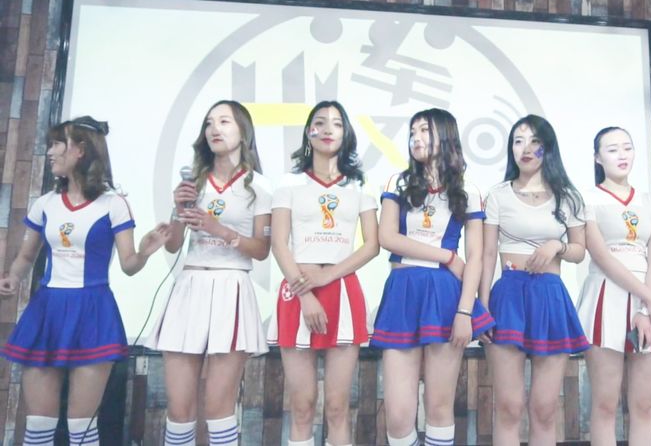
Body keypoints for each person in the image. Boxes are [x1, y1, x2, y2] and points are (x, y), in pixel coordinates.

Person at [0, 117, 169, 446]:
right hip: (47, 310)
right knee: (38, 425)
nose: (50, 152)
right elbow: (26, 256)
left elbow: (129, 265)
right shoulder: (45, 203)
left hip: (92, 310)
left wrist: (145, 251)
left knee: (81, 427)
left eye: (56, 144)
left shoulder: (113, 204)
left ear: (80, 150)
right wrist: (12, 278)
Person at [146, 101, 271, 446]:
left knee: (218, 408)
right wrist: (178, 208)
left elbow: (262, 249)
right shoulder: (194, 183)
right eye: (209, 123)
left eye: (224, 121)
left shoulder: (260, 186)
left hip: (231, 286)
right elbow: (174, 245)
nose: (215, 129)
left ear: (243, 132)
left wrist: (219, 229)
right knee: (179, 408)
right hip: (190, 285)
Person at [371, 108, 493, 446]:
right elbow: (387, 238)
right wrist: (447, 256)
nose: (416, 138)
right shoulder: (398, 182)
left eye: (424, 130)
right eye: (413, 132)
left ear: (446, 135)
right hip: (403, 290)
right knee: (398, 414)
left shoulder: (468, 190)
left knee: (439, 406)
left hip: (445, 296)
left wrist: (465, 311)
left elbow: (477, 256)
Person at [268, 101, 379, 446]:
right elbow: (278, 243)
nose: (328, 129)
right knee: (302, 407)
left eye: (337, 123)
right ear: (308, 132)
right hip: (298, 292)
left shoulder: (359, 186)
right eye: (320, 122)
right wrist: (305, 292)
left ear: (346, 134)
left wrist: (327, 277)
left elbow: (372, 246)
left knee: (337, 407)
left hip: (342, 292)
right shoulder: (289, 183)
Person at [479, 115, 589, 445]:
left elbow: (580, 251)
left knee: (544, 409)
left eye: (535, 142)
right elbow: (487, 254)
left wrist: (558, 246)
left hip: (550, 296)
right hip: (508, 297)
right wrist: (481, 308)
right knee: (509, 407)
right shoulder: (498, 195)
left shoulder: (568, 196)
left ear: (548, 148)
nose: (525, 148)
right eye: (518, 141)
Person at [576, 126, 651, 446]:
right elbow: (602, 256)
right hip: (605, 296)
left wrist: (647, 307)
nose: (622, 155)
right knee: (605, 405)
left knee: (644, 407)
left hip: (648, 301)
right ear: (597, 158)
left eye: (627, 147)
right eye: (612, 149)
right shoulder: (587, 198)